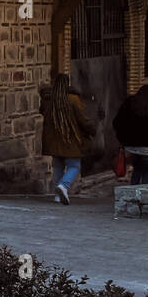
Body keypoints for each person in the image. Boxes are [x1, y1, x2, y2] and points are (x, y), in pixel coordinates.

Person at [39, 72, 95, 205]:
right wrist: (92, 129)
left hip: (54, 140)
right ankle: (63, 186)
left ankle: (58, 196)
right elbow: (82, 119)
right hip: (70, 139)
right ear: (67, 84)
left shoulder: (48, 100)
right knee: (74, 165)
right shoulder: (73, 100)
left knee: (58, 167)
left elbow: (42, 112)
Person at [113, 84, 148, 186]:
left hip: (131, 145)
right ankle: (145, 194)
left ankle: (133, 193)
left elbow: (117, 122)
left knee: (137, 170)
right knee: (147, 171)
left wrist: (121, 137)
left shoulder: (129, 103)